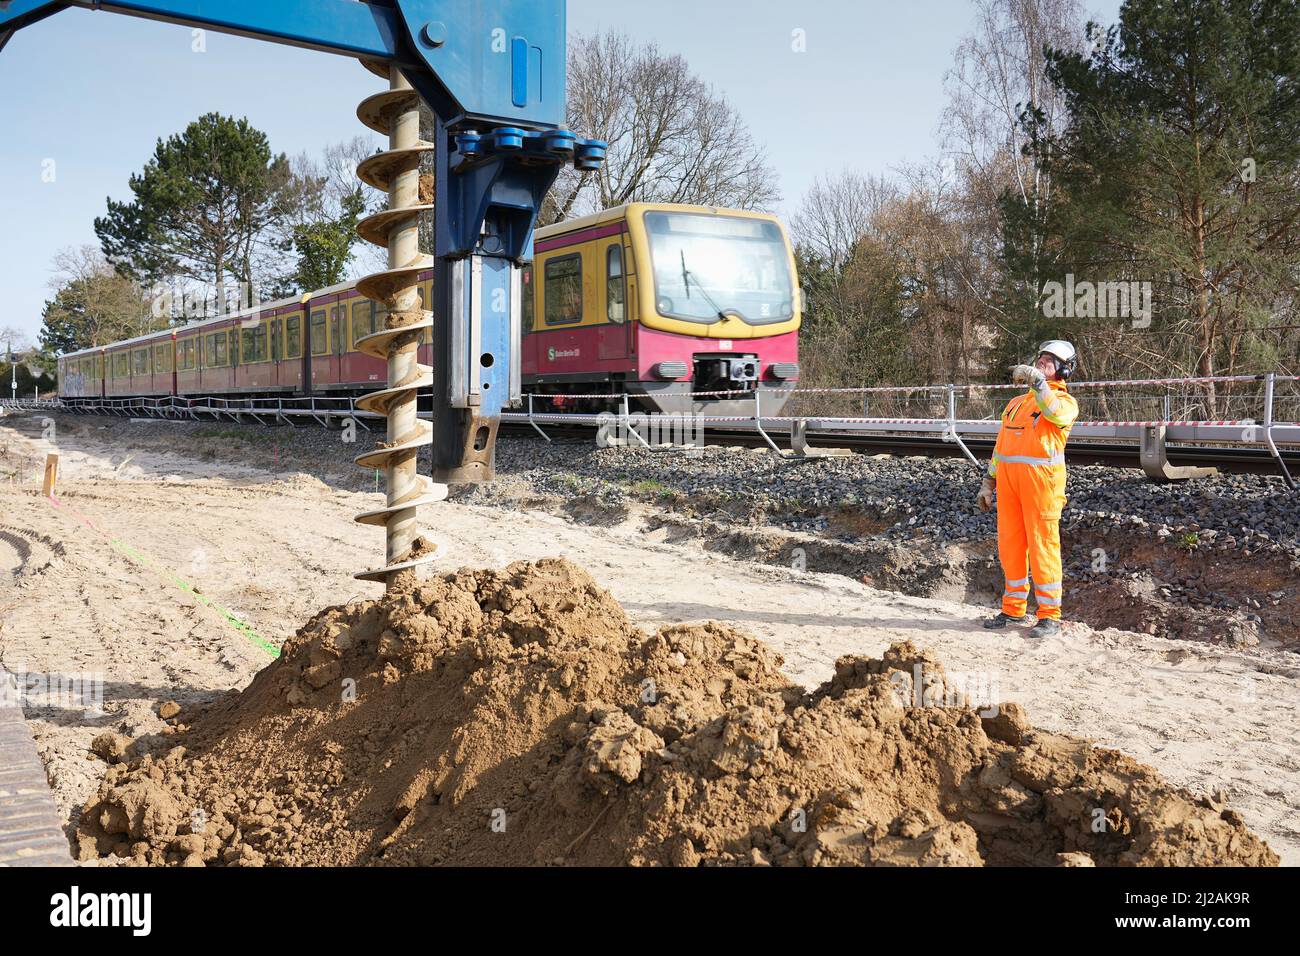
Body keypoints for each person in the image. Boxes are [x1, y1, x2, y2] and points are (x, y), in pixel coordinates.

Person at [976, 341, 1079, 637]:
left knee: (1043, 546)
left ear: (1063, 369)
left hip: (1042, 486)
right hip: (1009, 485)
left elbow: (1054, 413)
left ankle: (1049, 615)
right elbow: (1002, 445)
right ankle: (1013, 610)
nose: (1042, 362)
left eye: (1050, 360)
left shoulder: (1064, 402)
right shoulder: (1016, 404)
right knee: (1010, 547)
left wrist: (1037, 382)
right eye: (1041, 358)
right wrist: (988, 481)